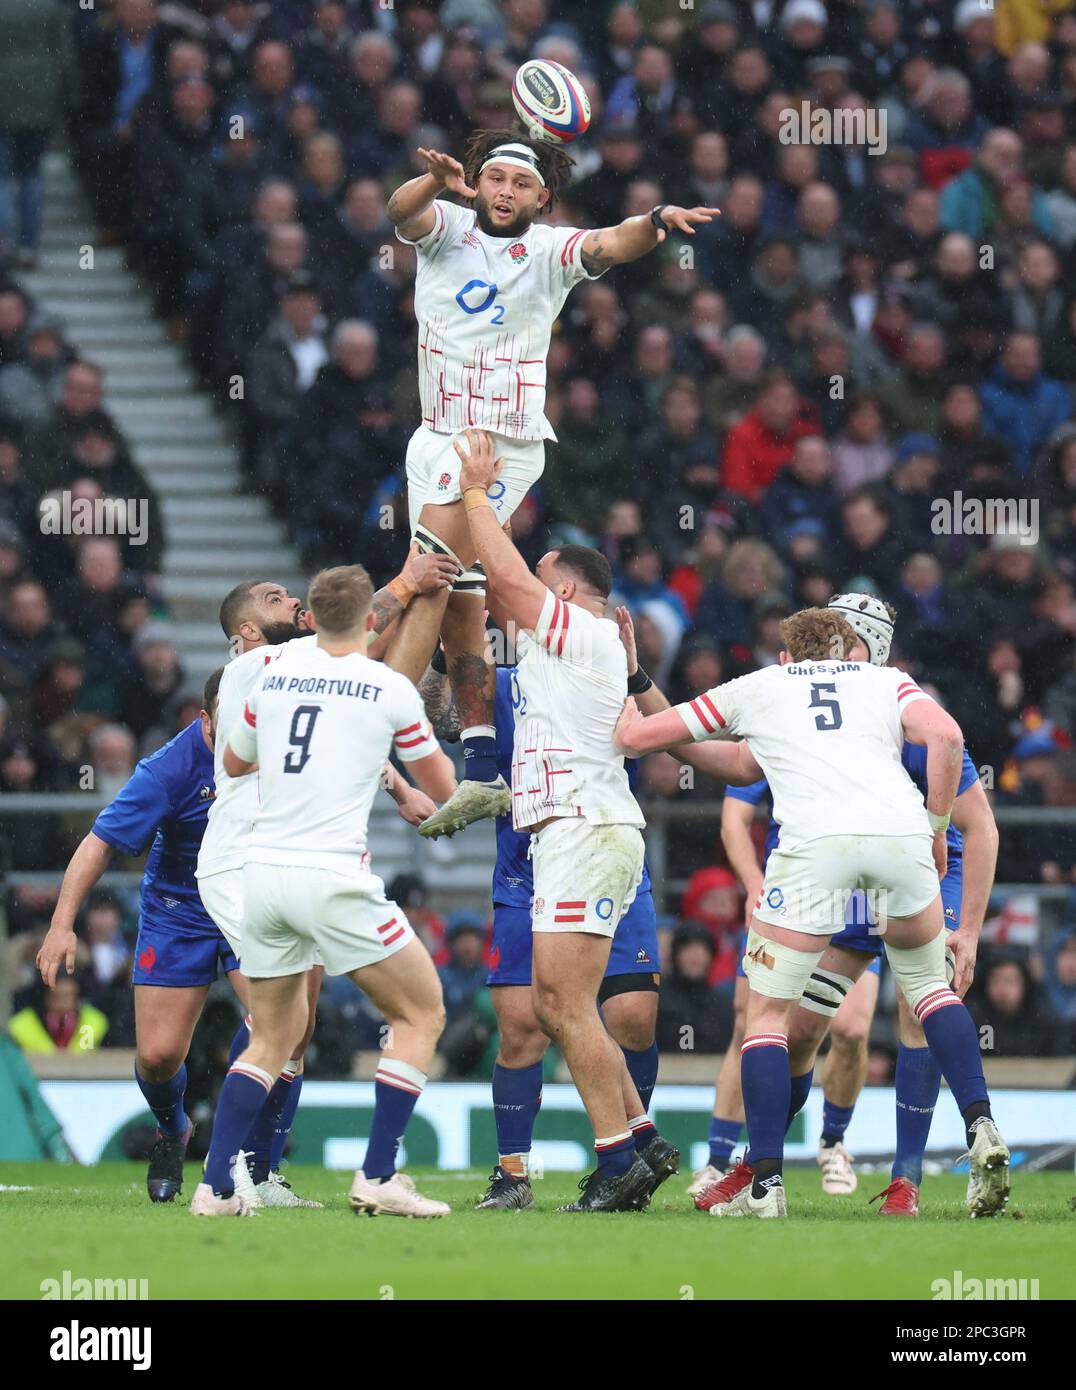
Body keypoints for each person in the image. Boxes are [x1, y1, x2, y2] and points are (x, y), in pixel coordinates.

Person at [617, 604, 1010, 1220]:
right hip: (904, 852)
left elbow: (650, 737)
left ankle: (776, 1182)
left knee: (769, 1018)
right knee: (922, 996)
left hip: (818, 857)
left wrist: (626, 691)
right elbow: (746, 764)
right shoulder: (889, 686)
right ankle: (981, 1125)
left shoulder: (766, 686)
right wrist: (935, 832)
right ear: (849, 647)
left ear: (787, 653)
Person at [382, 131, 720, 841]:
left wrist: (656, 222)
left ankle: (375, 712)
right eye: (494, 179)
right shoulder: (445, 225)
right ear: (479, 184)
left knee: (429, 574)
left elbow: (613, 245)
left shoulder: (550, 251)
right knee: (461, 602)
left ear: (542, 197)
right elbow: (399, 212)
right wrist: (436, 183)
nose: (505, 191)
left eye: (519, 184)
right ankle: (479, 769)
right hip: (434, 433)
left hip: (497, 442)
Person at [191, 564, 458, 1218]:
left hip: (264, 874)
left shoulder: (264, 677)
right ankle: (376, 1175)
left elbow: (233, 759)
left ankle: (219, 1186)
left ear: (312, 614)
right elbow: (446, 786)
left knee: (276, 1034)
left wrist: (372, 776)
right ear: (369, 621)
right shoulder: (383, 685)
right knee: (421, 1013)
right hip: (326, 873)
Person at [448, 427, 659, 1212]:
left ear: (565, 596)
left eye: (544, 580)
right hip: (567, 828)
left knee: (566, 1007)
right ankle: (634, 1143)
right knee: (555, 1005)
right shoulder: (558, 648)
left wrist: (476, 489)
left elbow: (502, 577)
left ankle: (620, 1162)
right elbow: (484, 598)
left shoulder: (587, 634)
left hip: (584, 823)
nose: (526, 589)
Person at [35, 669, 240, 1203]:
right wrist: (61, 925)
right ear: (206, 720)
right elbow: (99, 842)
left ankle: (253, 1162)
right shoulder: (170, 767)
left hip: (252, 904)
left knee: (280, 1027)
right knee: (157, 1055)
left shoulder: (279, 750)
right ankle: (174, 1129)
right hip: (181, 910)